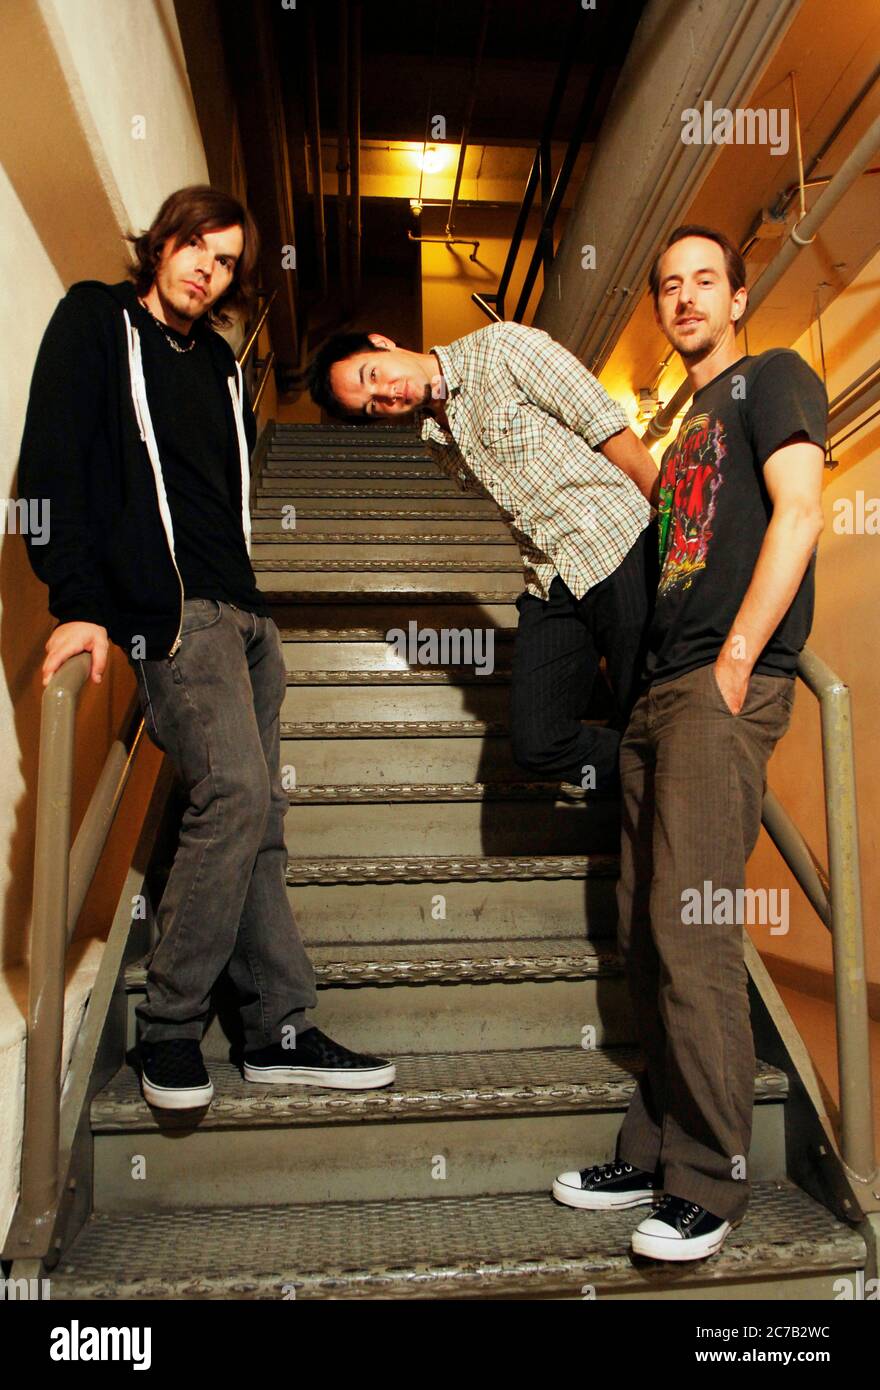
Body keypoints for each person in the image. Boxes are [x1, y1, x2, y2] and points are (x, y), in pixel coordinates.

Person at [18, 184, 395, 1111]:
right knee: (231, 794)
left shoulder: (223, 365)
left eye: (227, 262)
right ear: (161, 243)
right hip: (177, 615)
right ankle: (170, 1028)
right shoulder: (96, 321)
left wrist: (257, 610)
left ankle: (278, 1027)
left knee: (259, 816)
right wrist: (80, 601)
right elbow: (53, 460)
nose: (208, 270)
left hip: (247, 619)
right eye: (196, 247)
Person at [553, 224, 827, 1261]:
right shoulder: (679, 431)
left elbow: (800, 513)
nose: (684, 298)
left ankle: (710, 1178)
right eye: (668, 285)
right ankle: (659, 1142)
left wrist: (737, 657)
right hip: (659, 697)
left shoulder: (775, 378)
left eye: (704, 281)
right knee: (643, 929)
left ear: (738, 298)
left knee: (694, 927)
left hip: (720, 687)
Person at [308, 322, 660, 795]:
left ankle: (667, 781)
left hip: (617, 542)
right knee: (539, 742)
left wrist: (669, 540)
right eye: (372, 405)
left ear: (383, 341)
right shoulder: (435, 440)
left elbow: (613, 433)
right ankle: (653, 768)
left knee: (648, 708)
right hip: (551, 576)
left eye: (373, 374)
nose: (386, 395)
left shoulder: (502, 348)